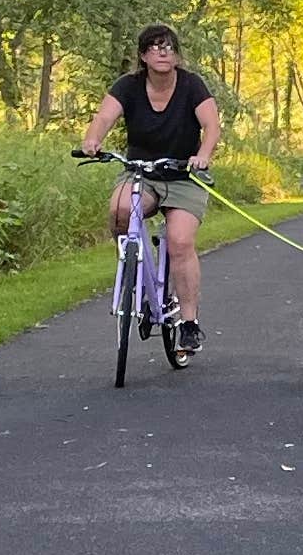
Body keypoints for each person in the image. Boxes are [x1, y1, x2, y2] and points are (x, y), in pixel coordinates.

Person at [79, 24, 222, 355]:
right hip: (142, 173)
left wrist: (202, 156)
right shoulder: (128, 86)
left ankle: (188, 323)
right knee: (118, 211)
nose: (163, 52)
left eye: (169, 47)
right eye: (155, 47)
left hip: (183, 176)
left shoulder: (191, 85)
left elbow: (211, 126)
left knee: (180, 242)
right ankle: (137, 276)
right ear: (143, 55)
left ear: (177, 55)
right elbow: (103, 118)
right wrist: (92, 140)